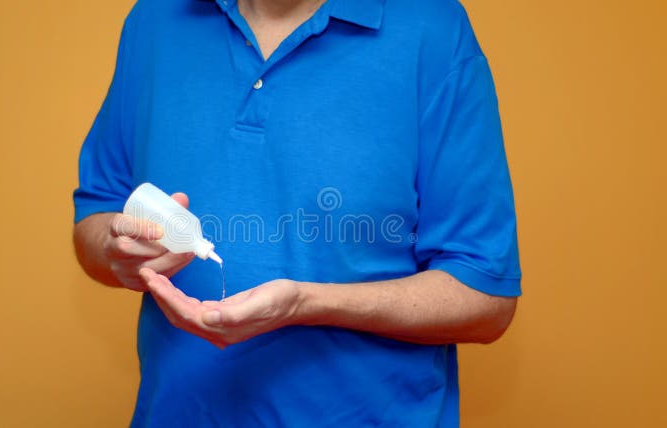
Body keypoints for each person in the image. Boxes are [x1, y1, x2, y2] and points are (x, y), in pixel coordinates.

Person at [73, 0, 522, 426]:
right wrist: (120, 254)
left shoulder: (431, 28)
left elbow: (485, 299)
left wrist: (307, 304)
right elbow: (96, 219)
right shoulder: (156, 19)